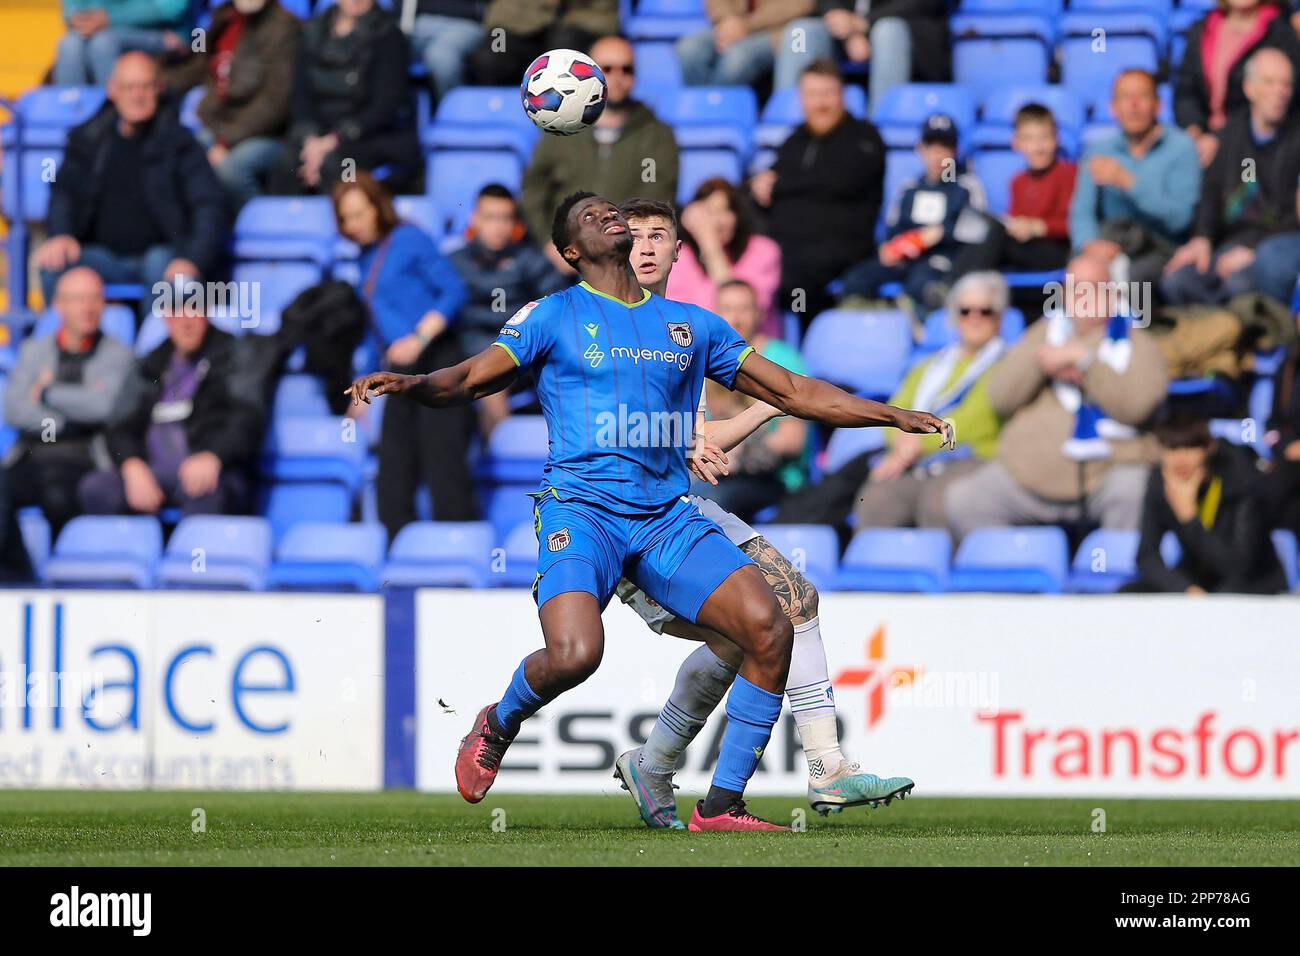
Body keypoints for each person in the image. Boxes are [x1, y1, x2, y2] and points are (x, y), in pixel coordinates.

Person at [347, 191, 951, 831]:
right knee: (577, 654)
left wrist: (890, 415)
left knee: (769, 625)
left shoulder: (690, 326)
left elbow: (793, 391)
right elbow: (472, 378)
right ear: (571, 252)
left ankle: (721, 806)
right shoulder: (552, 315)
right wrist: (413, 384)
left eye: (612, 210)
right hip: (581, 511)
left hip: (666, 516)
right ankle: (497, 722)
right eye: (591, 217)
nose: (609, 215)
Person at [611, 197, 913, 827]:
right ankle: (724, 775)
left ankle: (690, 769)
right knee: (752, 628)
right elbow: (597, 427)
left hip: (681, 509)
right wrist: (674, 436)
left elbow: (705, 439)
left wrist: (777, 405)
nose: (643, 247)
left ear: (677, 252)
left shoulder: (682, 330)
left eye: (657, 236)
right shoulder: (598, 326)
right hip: (622, 519)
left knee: (781, 610)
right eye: (631, 236)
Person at [944, 256, 1169, 541]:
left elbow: (1137, 407)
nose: (1084, 298)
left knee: (1133, 491)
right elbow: (1001, 397)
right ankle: (1022, 576)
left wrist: (1086, 362)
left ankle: (1115, 581)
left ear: (1113, 294)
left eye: (1093, 288)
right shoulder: (1044, 334)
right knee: (966, 501)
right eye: (1075, 288)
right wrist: (1041, 358)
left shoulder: (1136, 342)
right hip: (1028, 476)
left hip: (1106, 473)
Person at [333, 173, 474, 537]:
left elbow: (453, 291)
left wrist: (419, 336)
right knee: (393, 467)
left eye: (360, 213)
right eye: (347, 218)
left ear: (378, 208)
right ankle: (398, 556)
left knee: (443, 461)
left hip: (437, 359)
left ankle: (457, 551)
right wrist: (363, 385)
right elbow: (374, 330)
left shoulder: (409, 238)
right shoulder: (363, 258)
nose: (355, 224)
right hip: (397, 371)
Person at [34, 52, 227, 305]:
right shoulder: (89, 138)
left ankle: (155, 344)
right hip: (103, 258)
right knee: (54, 264)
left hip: (164, 257)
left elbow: (209, 205)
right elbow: (64, 191)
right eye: (129, 87)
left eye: (145, 86)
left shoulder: (180, 143)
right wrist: (61, 234)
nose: (137, 96)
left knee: (168, 273)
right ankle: (66, 344)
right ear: (113, 90)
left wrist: (192, 259)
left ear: (159, 88)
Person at [78, 292, 262, 518]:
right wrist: (131, 464)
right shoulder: (150, 364)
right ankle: (134, 550)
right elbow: (118, 425)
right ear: (166, 317)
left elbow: (248, 417)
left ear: (207, 312)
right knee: (97, 489)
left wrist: (215, 455)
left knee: (208, 495)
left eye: (193, 309)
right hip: (152, 472)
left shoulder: (234, 357)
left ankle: (193, 553)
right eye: (177, 312)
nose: (186, 322)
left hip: (212, 471)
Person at [852, 272, 1006, 531]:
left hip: (972, 459)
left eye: (985, 311)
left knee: (938, 502)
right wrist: (903, 443)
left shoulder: (1005, 365)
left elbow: (978, 422)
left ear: (999, 318)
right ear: (954, 317)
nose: (975, 318)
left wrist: (917, 443)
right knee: (876, 499)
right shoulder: (927, 367)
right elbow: (891, 413)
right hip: (918, 460)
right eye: (966, 310)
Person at [522, 35, 679, 275]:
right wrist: (550, 243)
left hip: (624, 262)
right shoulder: (562, 127)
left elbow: (657, 199)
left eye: (626, 69)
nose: (617, 77)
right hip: (561, 262)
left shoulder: (657, 134)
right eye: (607, 68)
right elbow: (534, 189)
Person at [1, 268, 132, 546]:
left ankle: (62, 575)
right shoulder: (33, 350)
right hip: (31, 455)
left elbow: (104, 407)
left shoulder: (119, 354)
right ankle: (16, 572)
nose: (88, 308)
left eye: (95, 299)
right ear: (58, 305)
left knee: (58, 495)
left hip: (83, 459)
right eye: (78, 299)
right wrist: (68, 420)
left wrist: (47, 393)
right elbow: (14, 409)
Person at [752, 58, 886, 323]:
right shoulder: (795, 139)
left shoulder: (865, 137)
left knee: (790, 277)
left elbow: (840, 182)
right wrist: (759, 184)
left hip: (840, 249)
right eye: (812, 95)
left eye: (828, 94)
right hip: (787, 244)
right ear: (801, 99)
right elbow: (772, 180)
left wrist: (781, 185)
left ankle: (797, 350)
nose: (820, 103)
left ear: (842, 96)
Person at [1162, 49, 1300, 305]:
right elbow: (1211, 194)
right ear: (1250, 88)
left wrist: (1253, 250)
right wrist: (1202, 238)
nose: (1280, 91)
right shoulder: (1228, 136)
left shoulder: (1296, 138)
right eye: (1270, 82)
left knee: (1240, 285)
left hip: (1274, 245)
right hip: (1228, 243)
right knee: (1177, 280)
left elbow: (1296, 215)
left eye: (1286, 84)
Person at [448, 184, 568, 434]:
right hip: (470, 354)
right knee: (486, 382)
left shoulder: (529, 260)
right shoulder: (455, 263)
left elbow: (557, 303)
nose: (499, 226)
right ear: (475, 220)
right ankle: (496, 458)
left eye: (505, 218)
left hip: (520, 354)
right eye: (490, 217)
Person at [1069, 70, 1201, 295]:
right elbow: (1081, 213)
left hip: (1161, 248)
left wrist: (1128, 182)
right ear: (1113, 108)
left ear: (1158, 105)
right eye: (1125, 97)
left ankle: (1134, 330)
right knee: (1080, 274)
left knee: (1135, 281)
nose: (1133, 104)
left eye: (1142, 96)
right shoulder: (1098, 151)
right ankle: (1070, 330)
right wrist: (1090, 243)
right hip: (1110, 243)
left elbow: (1180, 219)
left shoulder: (1182, 148)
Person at [688, 279, 811, 519]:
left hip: (770, 478)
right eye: (727, 309)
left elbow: (792, 440)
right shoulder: (702, 361)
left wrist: (738, 456)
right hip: (713, 471)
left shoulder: (782, 359)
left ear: (759, 313)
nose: (736, 318)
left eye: (744, 309)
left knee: (709, 502)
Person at [1128, 411, 1287, 594]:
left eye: (1189, 448)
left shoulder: (1241, 480)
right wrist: (1184, 588)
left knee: (1226, 594)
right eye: (1172, 448)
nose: (1180, 460)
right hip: (1199, 580)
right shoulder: (1161, 481)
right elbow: (1146, 558)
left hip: (1252, 583)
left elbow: (1238, 567)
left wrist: (1188, 517)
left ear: (1208, 447)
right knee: (1130, 591)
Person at [839, 113, 986, 310]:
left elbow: (979, 232)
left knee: (923, 286)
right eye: (931, 147)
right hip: (905, 258)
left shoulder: (967, 186)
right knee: (856, 280)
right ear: (920, 149)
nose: (937, 155)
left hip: (942, 260)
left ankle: (920, 330)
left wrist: (942, 232)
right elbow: (893, 228)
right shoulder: (909, 188)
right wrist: (893, 246)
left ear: (955, 151)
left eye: (944, 147)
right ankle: (874, 322)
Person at [276, 0, 420, 194]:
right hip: (317, 136)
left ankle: (346, 220)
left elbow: (385, 107)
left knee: (342, 165)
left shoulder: (389, 35)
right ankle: (292, 222)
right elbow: (301, 98)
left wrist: (335, 139)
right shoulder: (311, 31)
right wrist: (311, 140)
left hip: (367, 137)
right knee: (287, 164)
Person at [184, 0, 301, 209]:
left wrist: (225, 141)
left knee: (230, 170)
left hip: (268, 135)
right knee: (183, 152)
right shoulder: (223, 18)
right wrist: (159, 74)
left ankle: (262, 227)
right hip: (219, 125)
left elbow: (275, 104)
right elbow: (198, 67)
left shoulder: (285, 26)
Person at [952, 104, 1076, 279]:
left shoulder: (1068, 173)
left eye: (1044, 138)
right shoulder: (1018, 181)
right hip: (1022, 251)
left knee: (995, 235)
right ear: (1016, 143)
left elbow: (1077, 224)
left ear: (1056, 139)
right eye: (1029, 139)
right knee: (983, 233)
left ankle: (953, 288)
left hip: (1058, 253)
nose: (1038, 147)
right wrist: (1017, 227)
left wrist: (1039, 227)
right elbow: (1015, 220)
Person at [1174, 0, 1300, 168]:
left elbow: (1277, 99)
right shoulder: (1204, 29)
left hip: (1253, 146)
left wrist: (1222, 138)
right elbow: (1186, 89)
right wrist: (1194, 130)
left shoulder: (1280, 32)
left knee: (1247, 186)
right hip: (1206, 142)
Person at [668, 177, 782, 337]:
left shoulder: (764, 251)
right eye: (709, 212)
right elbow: (678, 319)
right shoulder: (680, 258)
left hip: (753, 349)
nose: (718, 221)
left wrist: (710, 245)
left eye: (725, 210)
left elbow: (742, 313)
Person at [791, 1, 951, 112]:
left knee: (888, 30)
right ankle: (789, 118)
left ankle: (882, 124)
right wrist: (843, 23)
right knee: (801, 32)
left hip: (907, 35)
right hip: (844, 36)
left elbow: (919, 4)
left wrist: (863, 23)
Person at [468, 0, 618, 87]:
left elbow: (607, 18)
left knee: (561, 56)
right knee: (491, 54)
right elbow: (498, 14)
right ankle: (492, 113)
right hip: (514, 24)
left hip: (576, 25)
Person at [675, 0, 820, 90]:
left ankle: (719, 111)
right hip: (729, 26)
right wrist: (727, 19)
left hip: (778, 30)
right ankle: (704, 110)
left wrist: (747, 25)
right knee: (688, 49)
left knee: (737, 59)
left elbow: (801, 4)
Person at [54, 0, 192, 87]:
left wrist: (111, 18)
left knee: (102, 44)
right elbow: (71, 10)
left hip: (162, 33)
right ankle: (69, 125)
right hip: (97, 31)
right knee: (69, 45)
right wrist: (80, 19)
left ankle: (114, 115)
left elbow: (171, 8)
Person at [407, 1, 488, 101]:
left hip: (463, 21)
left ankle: (455, 112)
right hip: (414, 22)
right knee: (390, 47)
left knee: (441, 56)